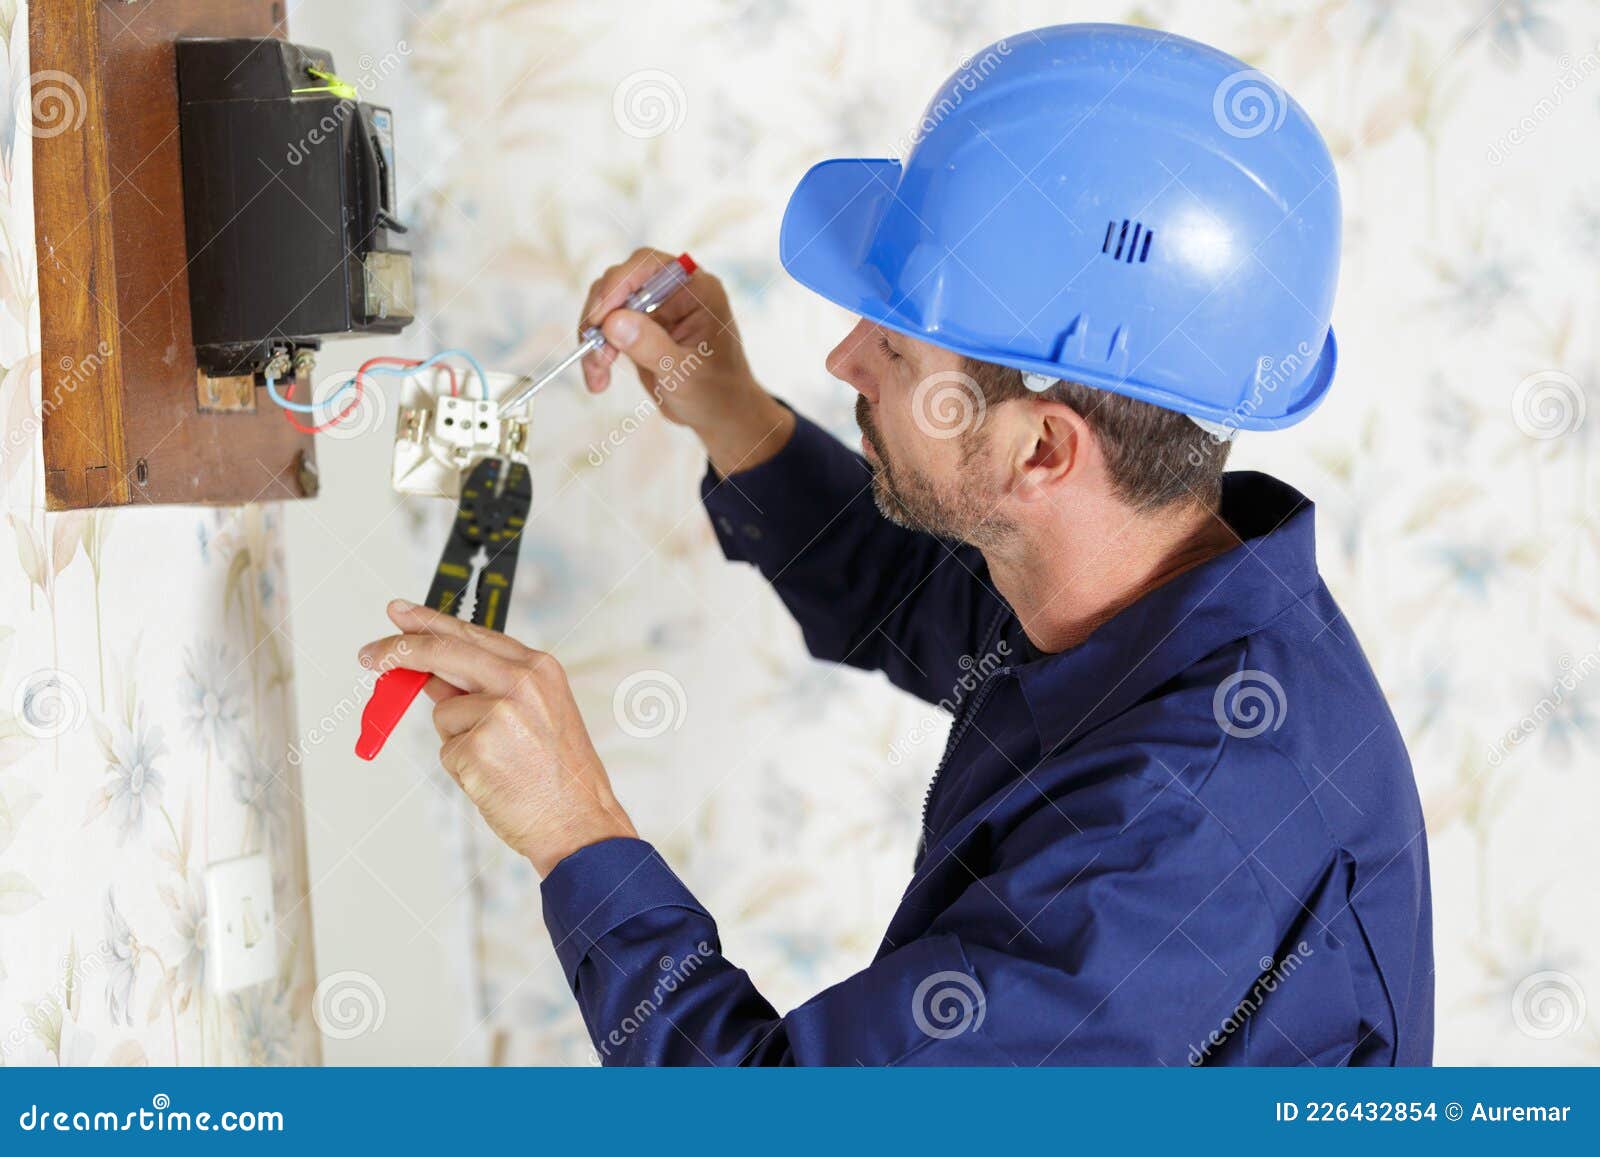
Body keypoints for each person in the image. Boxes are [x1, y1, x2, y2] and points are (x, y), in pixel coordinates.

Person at [359, 23, 1433, 1065]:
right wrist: (727, 407)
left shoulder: (1172, 841)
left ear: (1042, 449)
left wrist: (575, 827)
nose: (844, 359)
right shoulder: (1144, 595)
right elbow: (912, 591)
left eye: (896, 346)